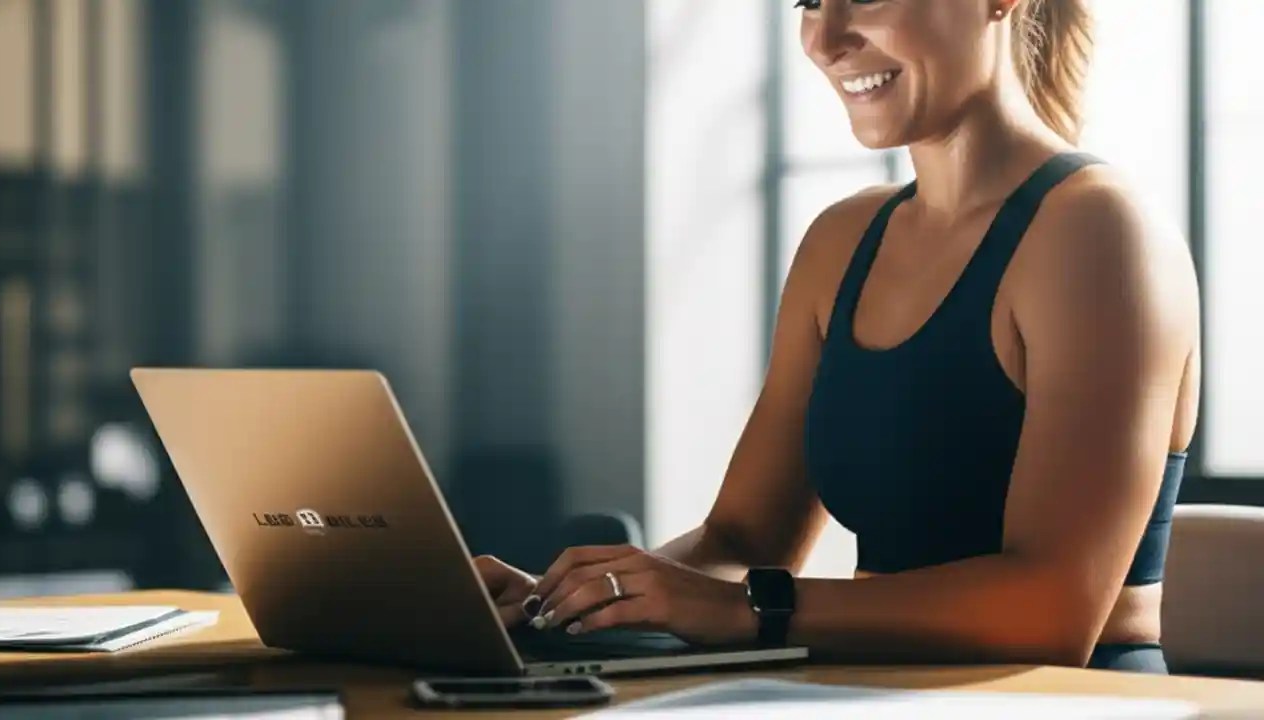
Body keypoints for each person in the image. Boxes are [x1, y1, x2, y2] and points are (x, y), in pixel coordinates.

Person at [475, 0, 1200, 674]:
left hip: (1067, 703)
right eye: (809, 1)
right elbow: (741, 544)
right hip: (866, 690)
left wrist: (747, 608)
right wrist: (564, 601)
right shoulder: (843, 241)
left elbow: (1055, 612)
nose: (824, 39)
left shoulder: (1100, 234)